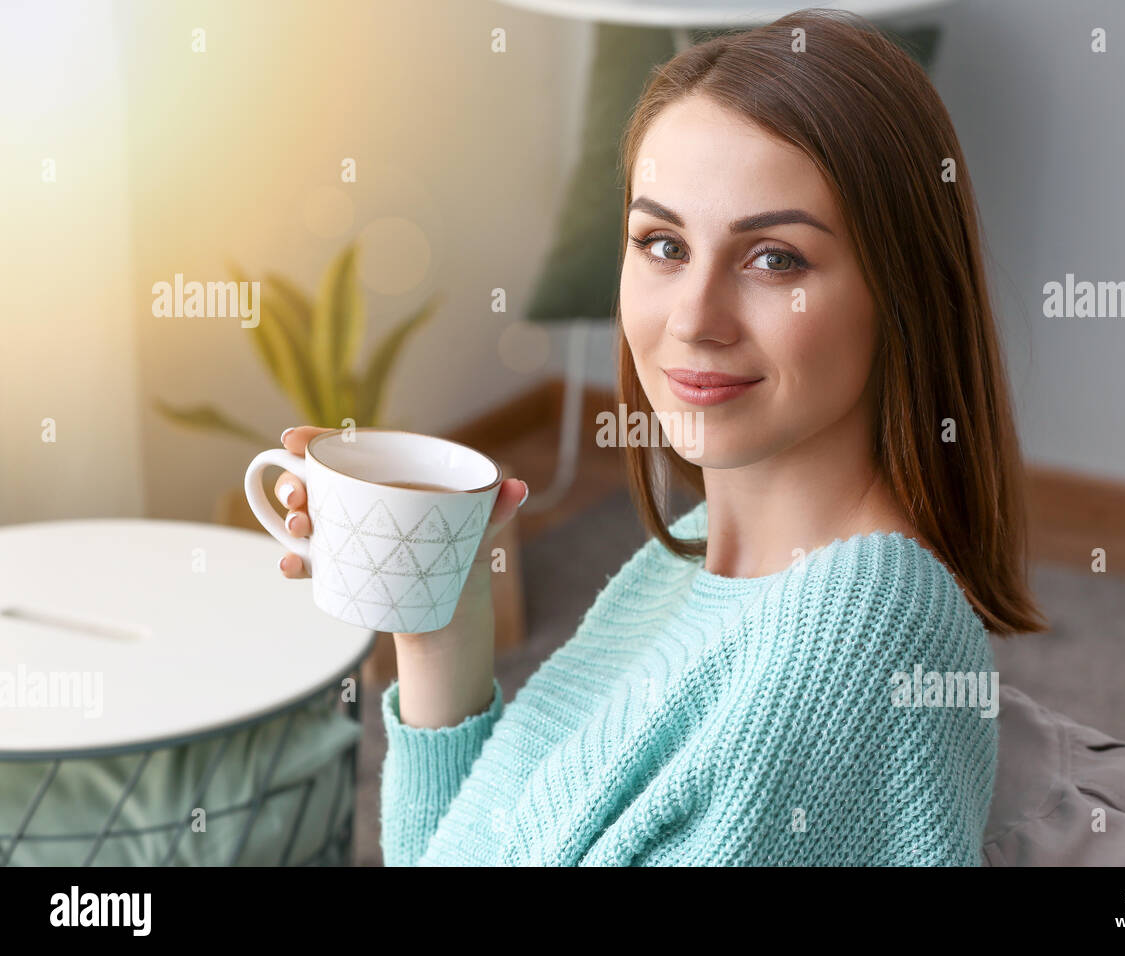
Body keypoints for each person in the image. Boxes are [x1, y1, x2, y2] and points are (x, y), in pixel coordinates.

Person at [272, 9, 1046, 865]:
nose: (693, 318)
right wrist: (438, 622)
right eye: (664, 243)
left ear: (904, 289)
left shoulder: (863, 621)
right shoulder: (677, 558)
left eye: (774, 258)